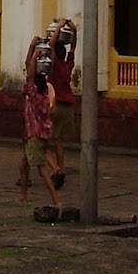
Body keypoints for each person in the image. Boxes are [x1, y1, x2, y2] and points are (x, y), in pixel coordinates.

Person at [17, 59, 61, 211]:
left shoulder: (34, 99)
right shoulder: (45, 99)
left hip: (34, 136)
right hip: (40, 135)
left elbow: (29, 77)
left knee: (41, 169)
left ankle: (56, 200)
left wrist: (35, 54)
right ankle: (23, 196)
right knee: (23, 165)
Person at [45, 19, 78, 185]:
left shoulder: (55, 65)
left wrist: (58, 27)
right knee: (59, 141)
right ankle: (62, 167)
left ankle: (55, 168)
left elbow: (50, 45)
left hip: (55, 104)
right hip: (68, 106)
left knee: (44, 140)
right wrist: (74, 29)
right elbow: (73, 47)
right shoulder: (68, 64)